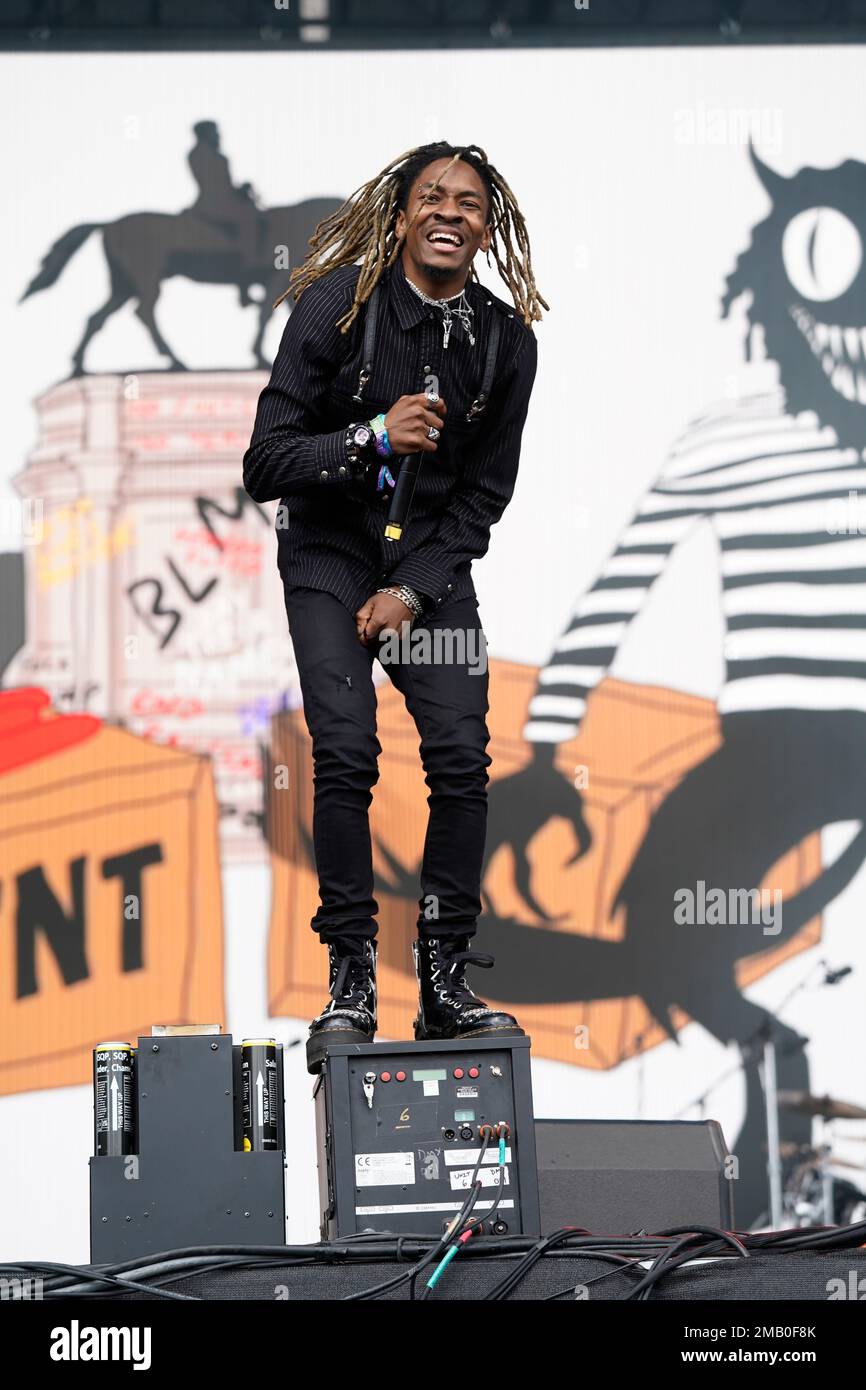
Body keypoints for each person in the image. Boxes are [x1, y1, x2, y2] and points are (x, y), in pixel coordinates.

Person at [243, 141, 546, 1072]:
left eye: (469, 202)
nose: (449, 212)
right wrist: (370, 438)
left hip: (431, 573)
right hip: (329, 555)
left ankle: (446, 977)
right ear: (402, 212)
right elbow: (264, 464)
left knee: (461, 758)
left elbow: (483, 496)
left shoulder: (506, 341)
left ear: (487, 227)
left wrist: (414, 590)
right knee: (345, 750)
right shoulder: (336, 305)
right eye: (432, 197)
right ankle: (351, 977)